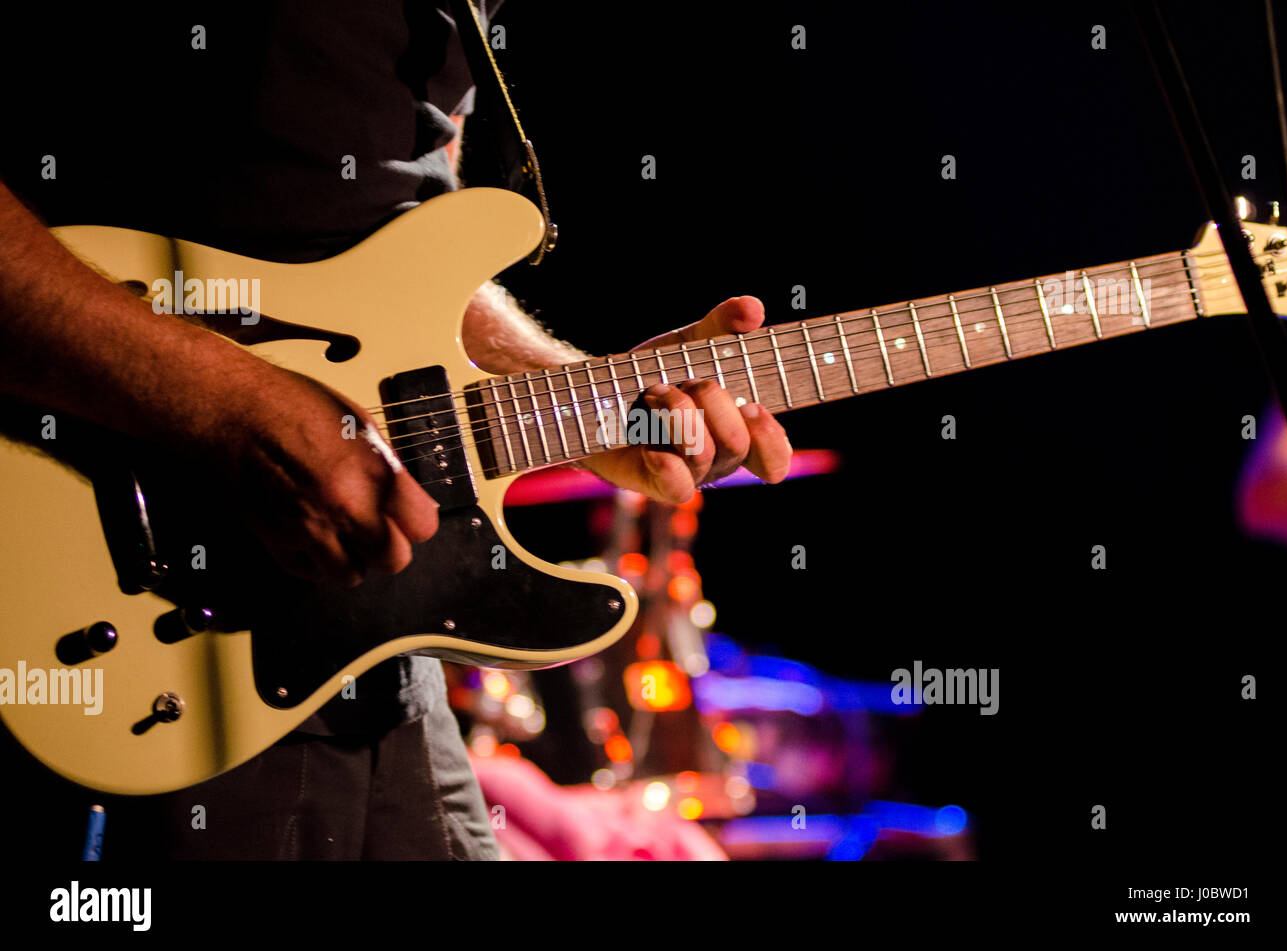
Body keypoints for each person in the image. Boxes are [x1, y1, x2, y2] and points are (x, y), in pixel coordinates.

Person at [0, 3, 792, 859]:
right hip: (130, 605)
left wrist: (582, 398)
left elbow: (404, 251)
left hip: (367, 649)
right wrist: (230, 411)